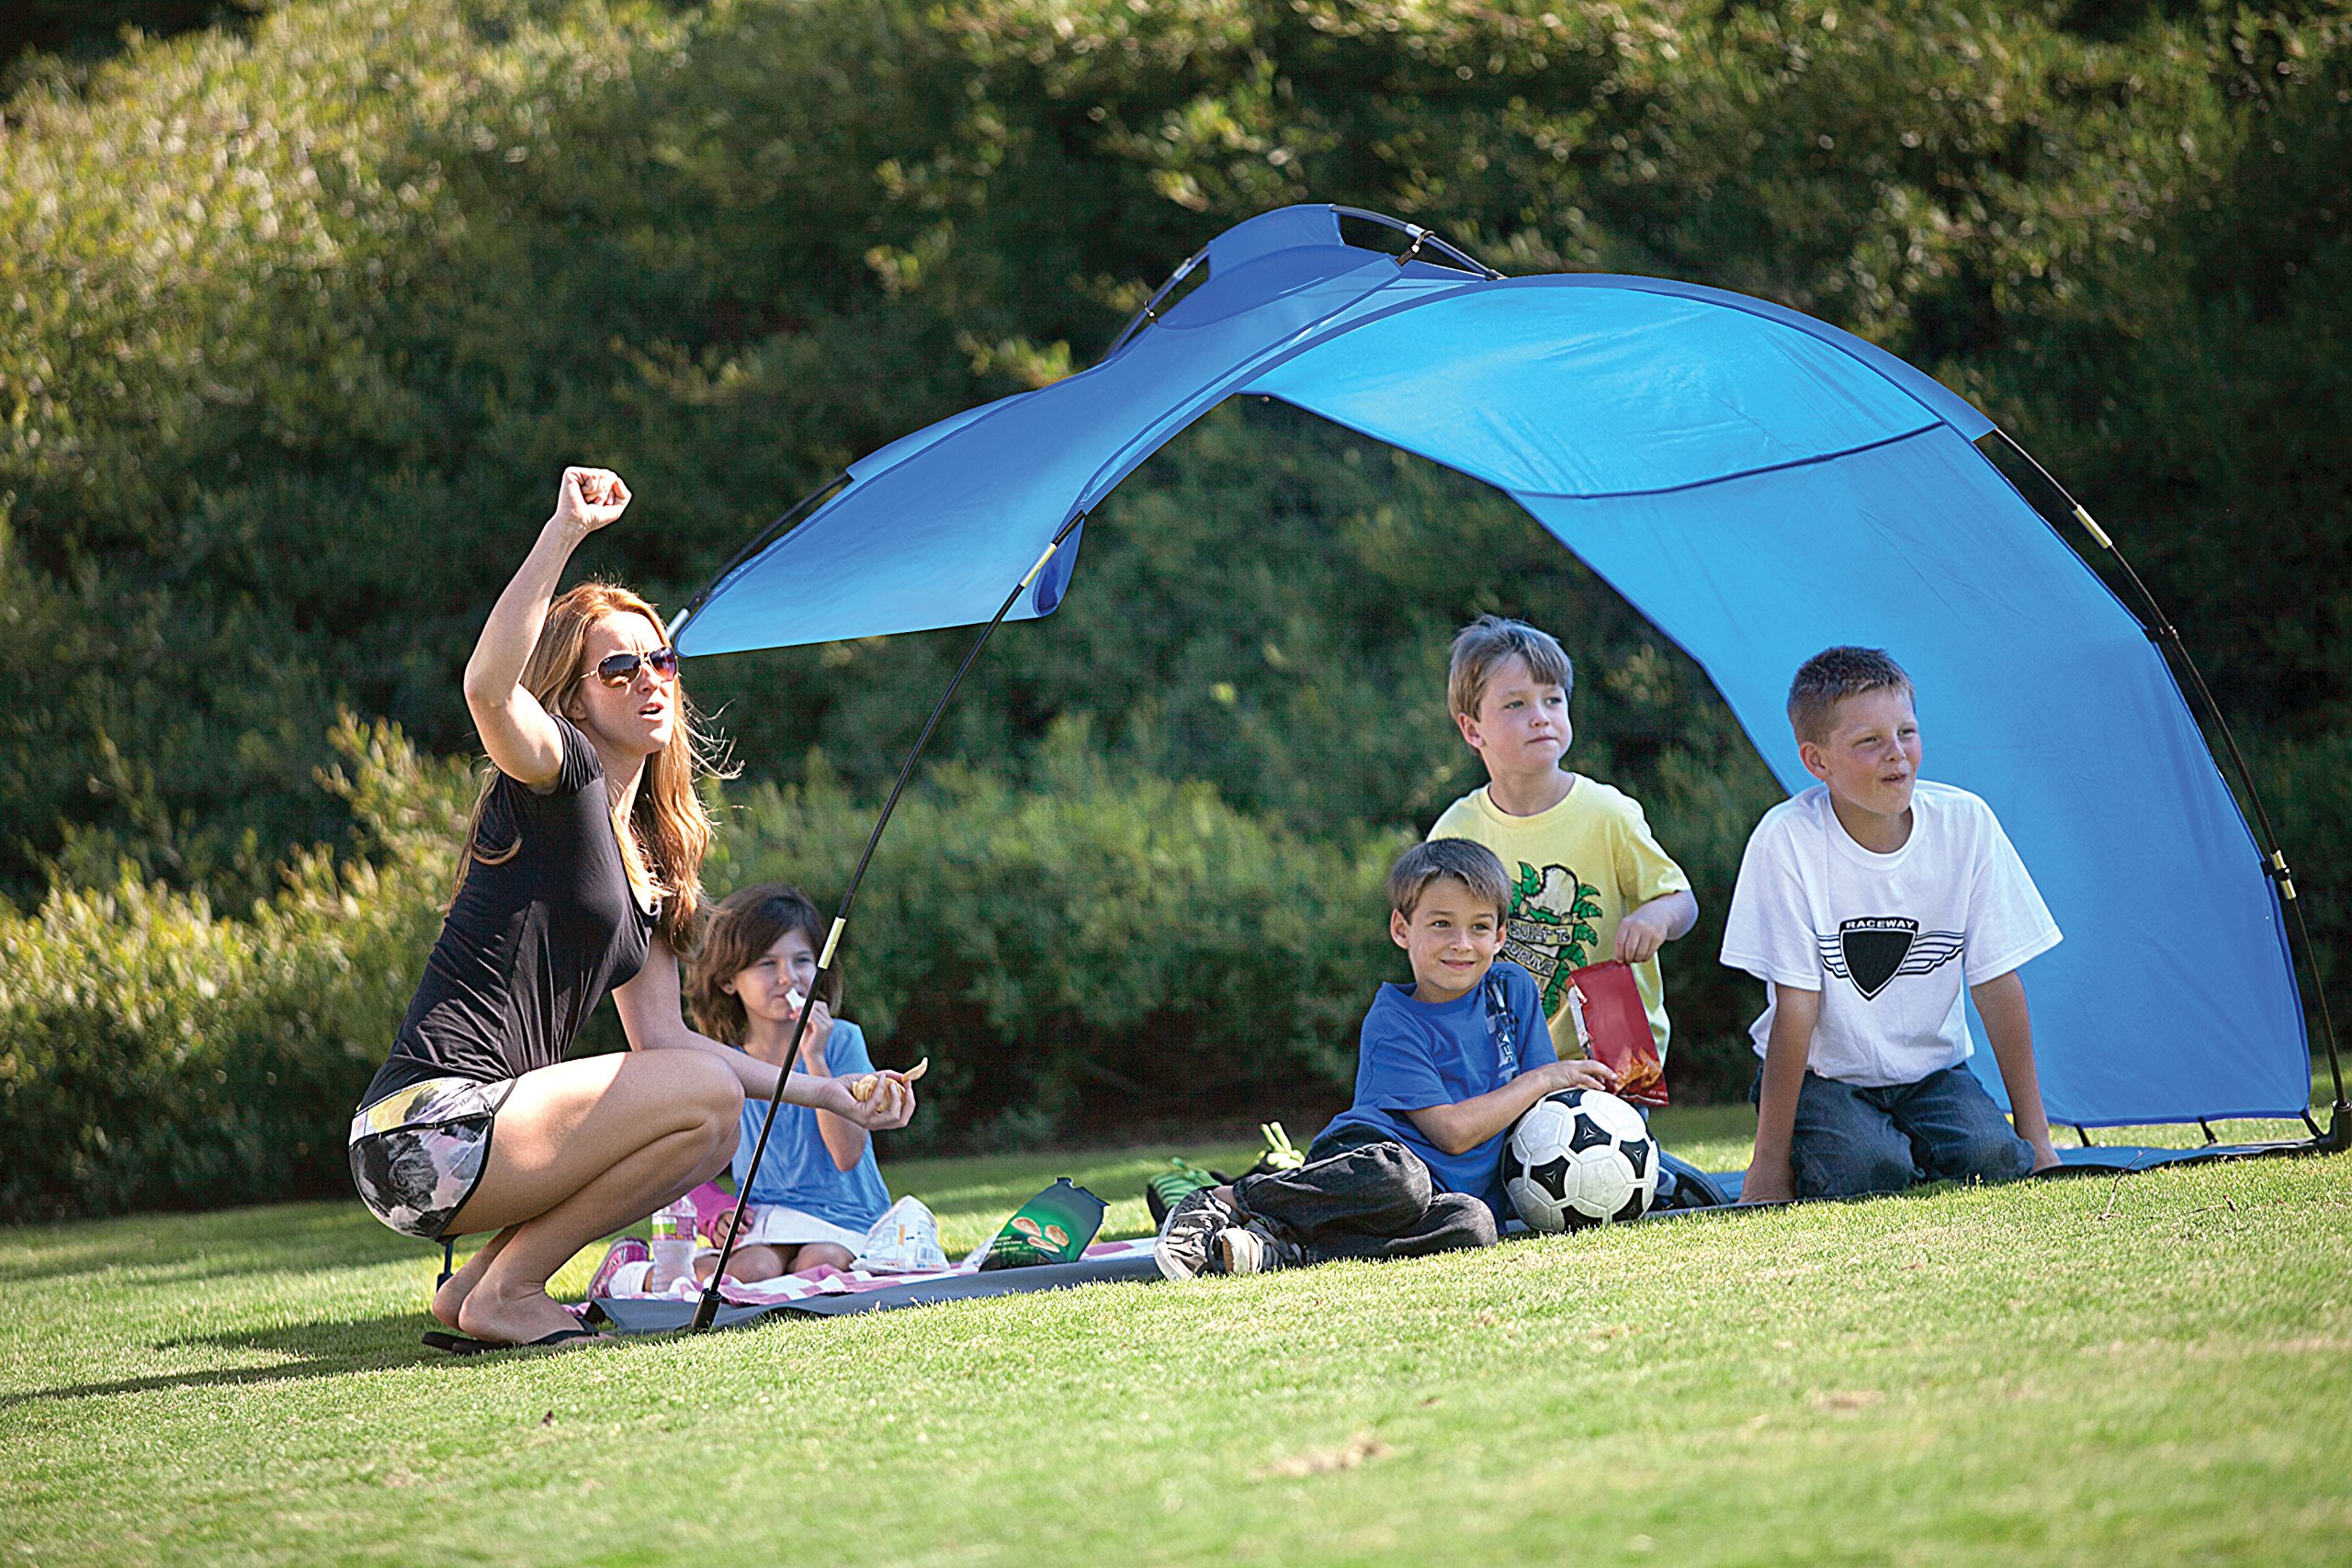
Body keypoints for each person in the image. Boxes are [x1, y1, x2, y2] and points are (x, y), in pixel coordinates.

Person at [346, 467, 914, 1349]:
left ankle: (485, 1291)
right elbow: (489, 691)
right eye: (619, 667)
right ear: (572, 698)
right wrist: (564, 532)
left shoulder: (651, 856)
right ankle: (514, 1288)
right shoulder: (557, 777)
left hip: (483, 1141)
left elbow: (671, 1046)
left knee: (710, 1108)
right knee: (707, 1097)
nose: (650, 678)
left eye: (662, 660)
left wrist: (826, 1091)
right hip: (425, 1129)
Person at [1154, 839, 1620, 1278]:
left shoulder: (1512, 989)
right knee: (1400, 1180)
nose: (1462, 942)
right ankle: (1222, 1199)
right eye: (1441, 924)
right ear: (1402, 929)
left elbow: (1541, 1114)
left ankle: (1289, 1249)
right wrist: (1545, 1079)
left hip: (1439, 1196)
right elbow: (1453, 1134)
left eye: (1479, 926)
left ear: (1500, 936)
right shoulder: (1393, 1020)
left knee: (1474, 1224)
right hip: (1367, 1161)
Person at [1722, 646, 2064, 1202]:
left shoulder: (1966, 824)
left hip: (1932, 1075)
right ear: (1817, 761)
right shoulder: (1785, 841)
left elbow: (1998, 985)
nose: (1897, 756)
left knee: (1996, 1160)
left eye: (1907, 732)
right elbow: (1797, 1006)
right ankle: (1869, 1148)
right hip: (1824, 1079)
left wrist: (2038, 1139)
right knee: (1867, 1172)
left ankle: (1920, 1144)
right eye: (1869, 742)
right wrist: (1768, 1166)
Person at [1427, 615, 1697, 1072]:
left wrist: (1656, 915)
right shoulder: (1456, 832)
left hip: (1616, 1052)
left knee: (1612, 1146)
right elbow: (1431, 941)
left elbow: (1682, 902)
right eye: (1515, 705)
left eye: (1552, 700)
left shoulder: (1607, 813)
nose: (1540, 716)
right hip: (1500, 1059)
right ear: (1473, 730)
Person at [684, 884, 895, 1282]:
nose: (789, 978)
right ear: (729, 981)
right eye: (767, 965)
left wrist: (814, 1058)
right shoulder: (725, 1063)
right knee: (753, 1269)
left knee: (820, 1264)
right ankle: (635, 1273)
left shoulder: (842, 1042)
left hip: (847, 1213)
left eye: (802, 960)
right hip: (770, 1218)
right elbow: (684, 1159)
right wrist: (715, 1207)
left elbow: (847, 1155)